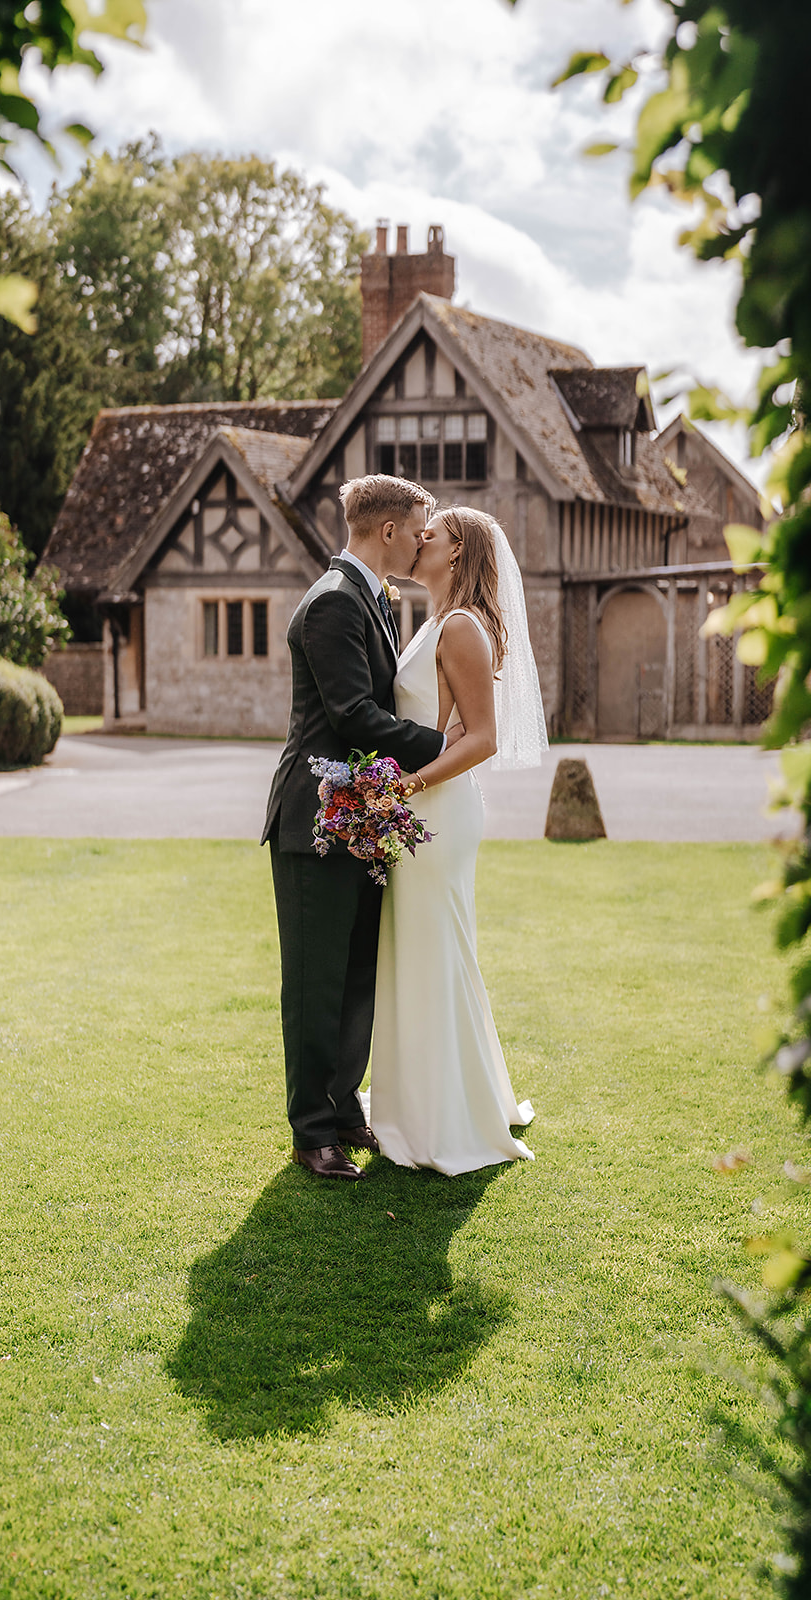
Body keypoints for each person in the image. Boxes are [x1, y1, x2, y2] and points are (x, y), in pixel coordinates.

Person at [262, 474, 457, 1182]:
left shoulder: (371, 597)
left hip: (362, 817)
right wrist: (447, 747)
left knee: (355, 976)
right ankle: (310, 1131)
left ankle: (344, 1108)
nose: (420, 541)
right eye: (416, 530)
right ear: (386, 532)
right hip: (313, 821)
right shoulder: (333, 604)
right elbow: (349, 716)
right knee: (315, 980)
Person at [367, 506, 549, 1174]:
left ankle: (445, 1116)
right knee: (425, 954)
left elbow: (481, 737)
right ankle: (422, 1097)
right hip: (419, 809)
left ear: (457, 554)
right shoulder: (432, 624)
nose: (419, 539)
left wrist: (405, 789)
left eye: (431, 535)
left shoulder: (464, 628)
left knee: (434, 952)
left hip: (436, 814)